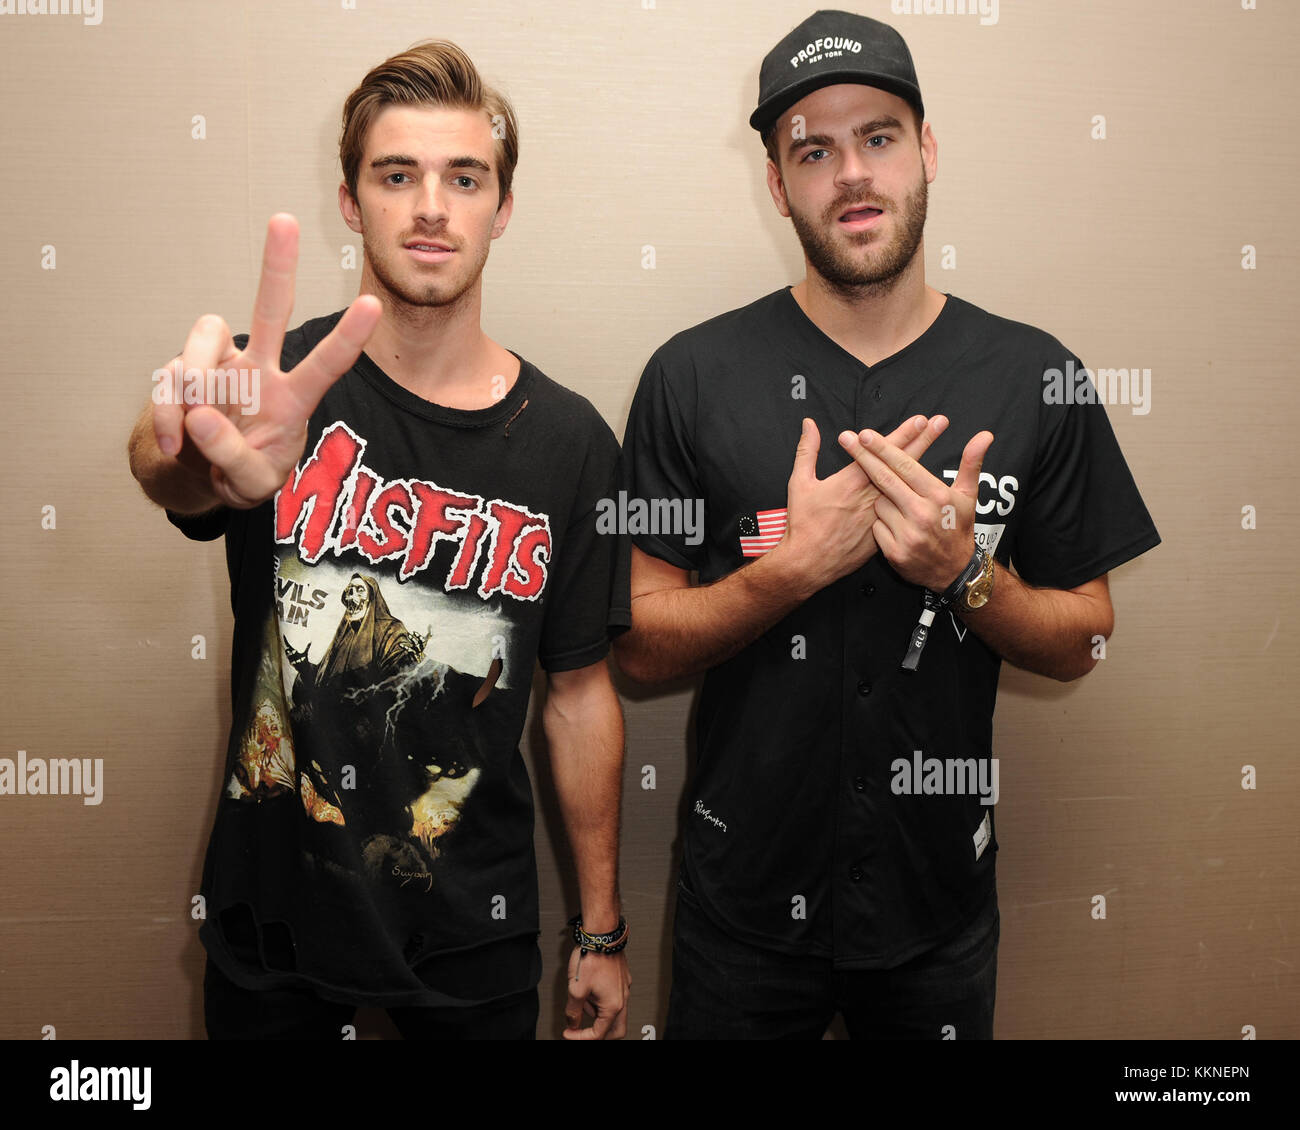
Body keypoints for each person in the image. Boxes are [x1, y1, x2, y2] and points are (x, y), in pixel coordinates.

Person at [614, 10, 1160, 1040]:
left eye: (879, 136)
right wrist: (788, 572)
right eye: (811, 150)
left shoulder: (1035, 374)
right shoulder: (688, 375)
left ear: (927, 151)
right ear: (776, 182)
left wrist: (965, 571)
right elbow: (637, 647)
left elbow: (1086, 635)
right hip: (742, 914)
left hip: (935, 913)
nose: (850, 174)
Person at [127, 40, 632, 1040]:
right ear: (352, 202)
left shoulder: (573, 442)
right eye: (397, 176)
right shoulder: (280, 389)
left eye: (464, 177)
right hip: (275, 911)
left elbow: (578, 695)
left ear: (503, 204)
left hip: (472, 930)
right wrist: (186, 441)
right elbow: (165, 468)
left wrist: (603, 929)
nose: (432, 208)